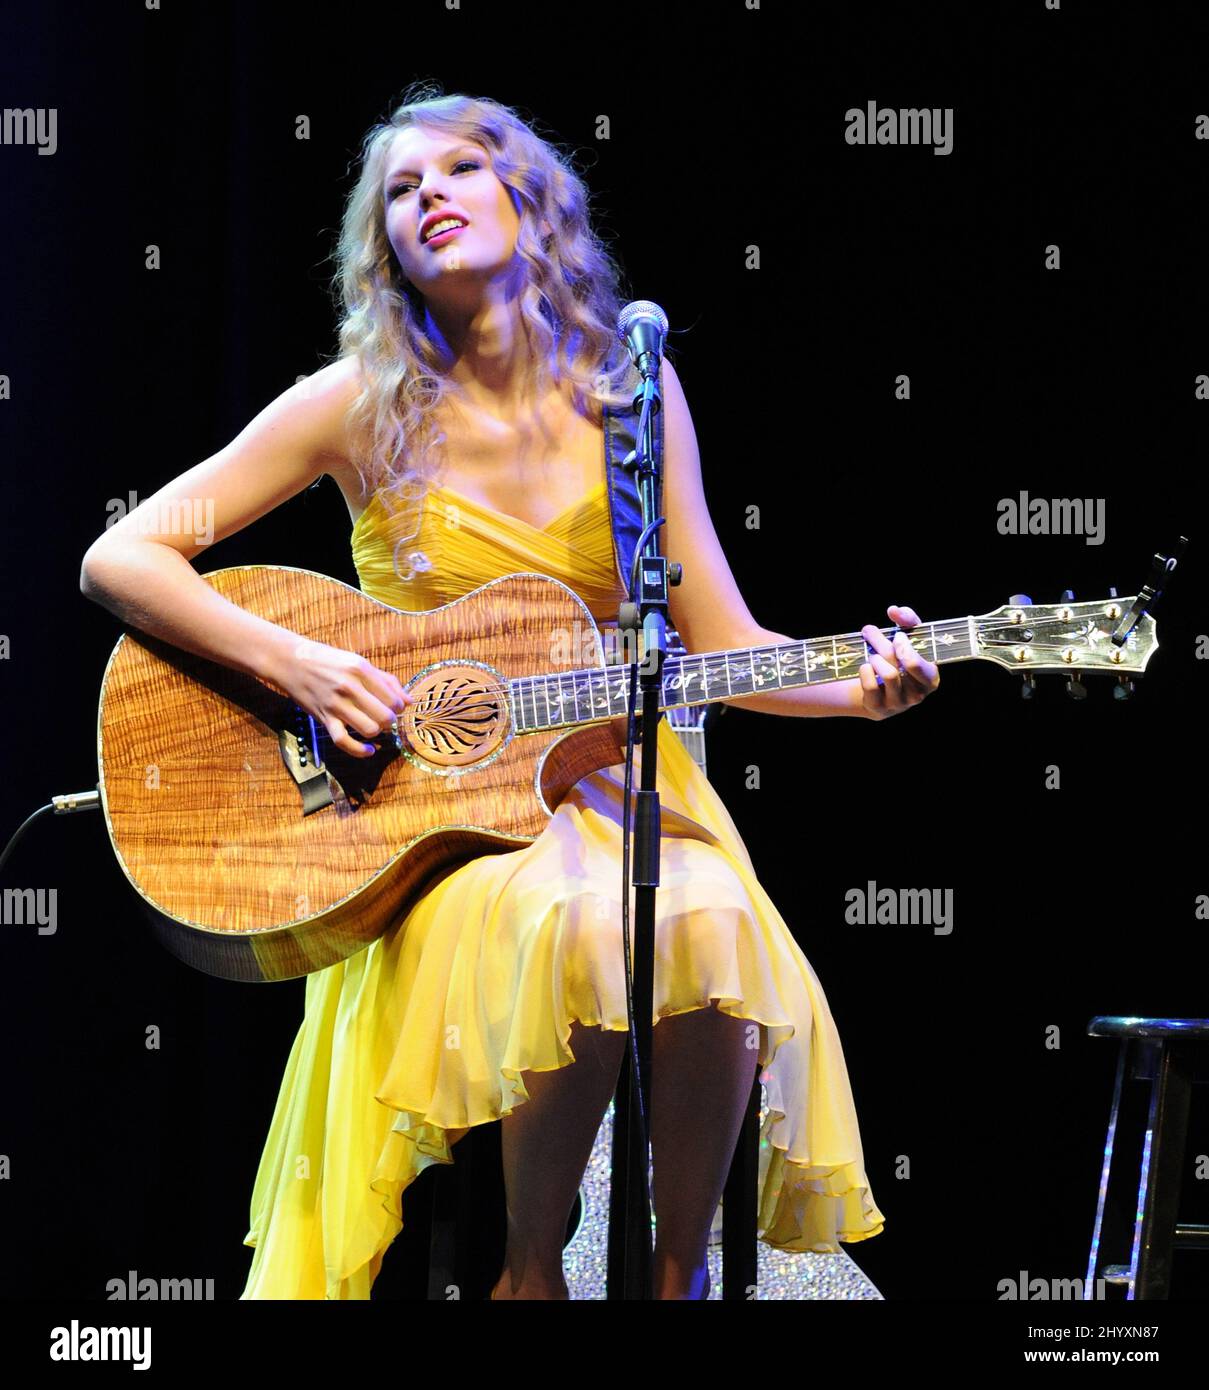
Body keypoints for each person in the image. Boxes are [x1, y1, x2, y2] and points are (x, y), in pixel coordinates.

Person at [80, 85, 939, 1301]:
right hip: (437, 830)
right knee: (581, 920)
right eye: (400, 190)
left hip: (616, 783)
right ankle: (531, 1271)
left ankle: (670, 1274)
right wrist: (304, 664)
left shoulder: (632, 393)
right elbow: (122, 558)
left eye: (459, 170)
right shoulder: (354, 403)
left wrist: (860, 694)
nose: (428, 196)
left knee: (709, 918)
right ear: (384, 249)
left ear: (530, 200)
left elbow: (724, 641)